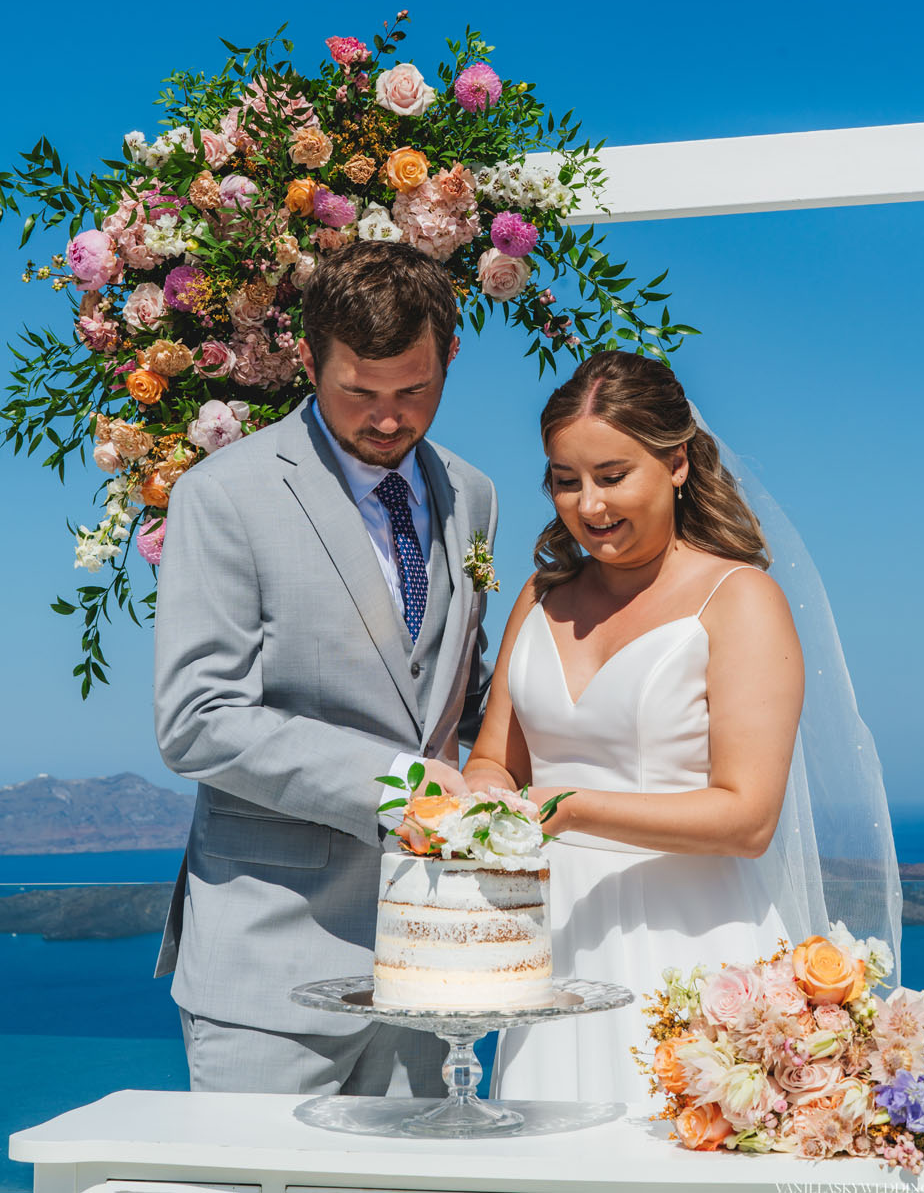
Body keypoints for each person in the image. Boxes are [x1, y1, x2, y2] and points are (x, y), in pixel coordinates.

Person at [153, 242, 496, 1096]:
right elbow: (197, 721)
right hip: (270, 964)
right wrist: (397, 788)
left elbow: (459, 687)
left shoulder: (473, 494)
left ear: (451, 357)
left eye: (413, 391)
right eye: (359, 392)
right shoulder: (223, 495)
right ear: (308, 362)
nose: (387, 419)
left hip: (430, 963)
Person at [464, 349, 809, 1103]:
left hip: (687, 942)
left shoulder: (738, 599)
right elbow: (495, 760)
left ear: (676, 463)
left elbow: (749, 818)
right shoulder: (540, 596)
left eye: (612, 476)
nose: (588, 506)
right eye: (566, 481)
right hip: (554, 938)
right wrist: (476, 799)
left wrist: (571, 810)